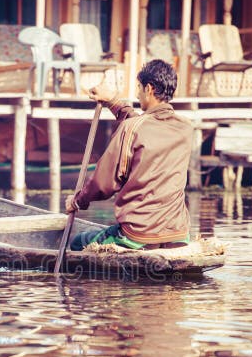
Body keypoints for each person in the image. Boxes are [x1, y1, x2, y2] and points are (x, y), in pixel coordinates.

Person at [66, 59, 193, 251]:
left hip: (139, 234)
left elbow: (104, 183)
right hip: (179, 233)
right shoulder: (185, 127)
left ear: (149, 89)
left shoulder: (132, 129)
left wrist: (78, 200)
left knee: (77, 243)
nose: (137, 93)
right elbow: (146, 128)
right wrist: (113, 102)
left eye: (139, 88)